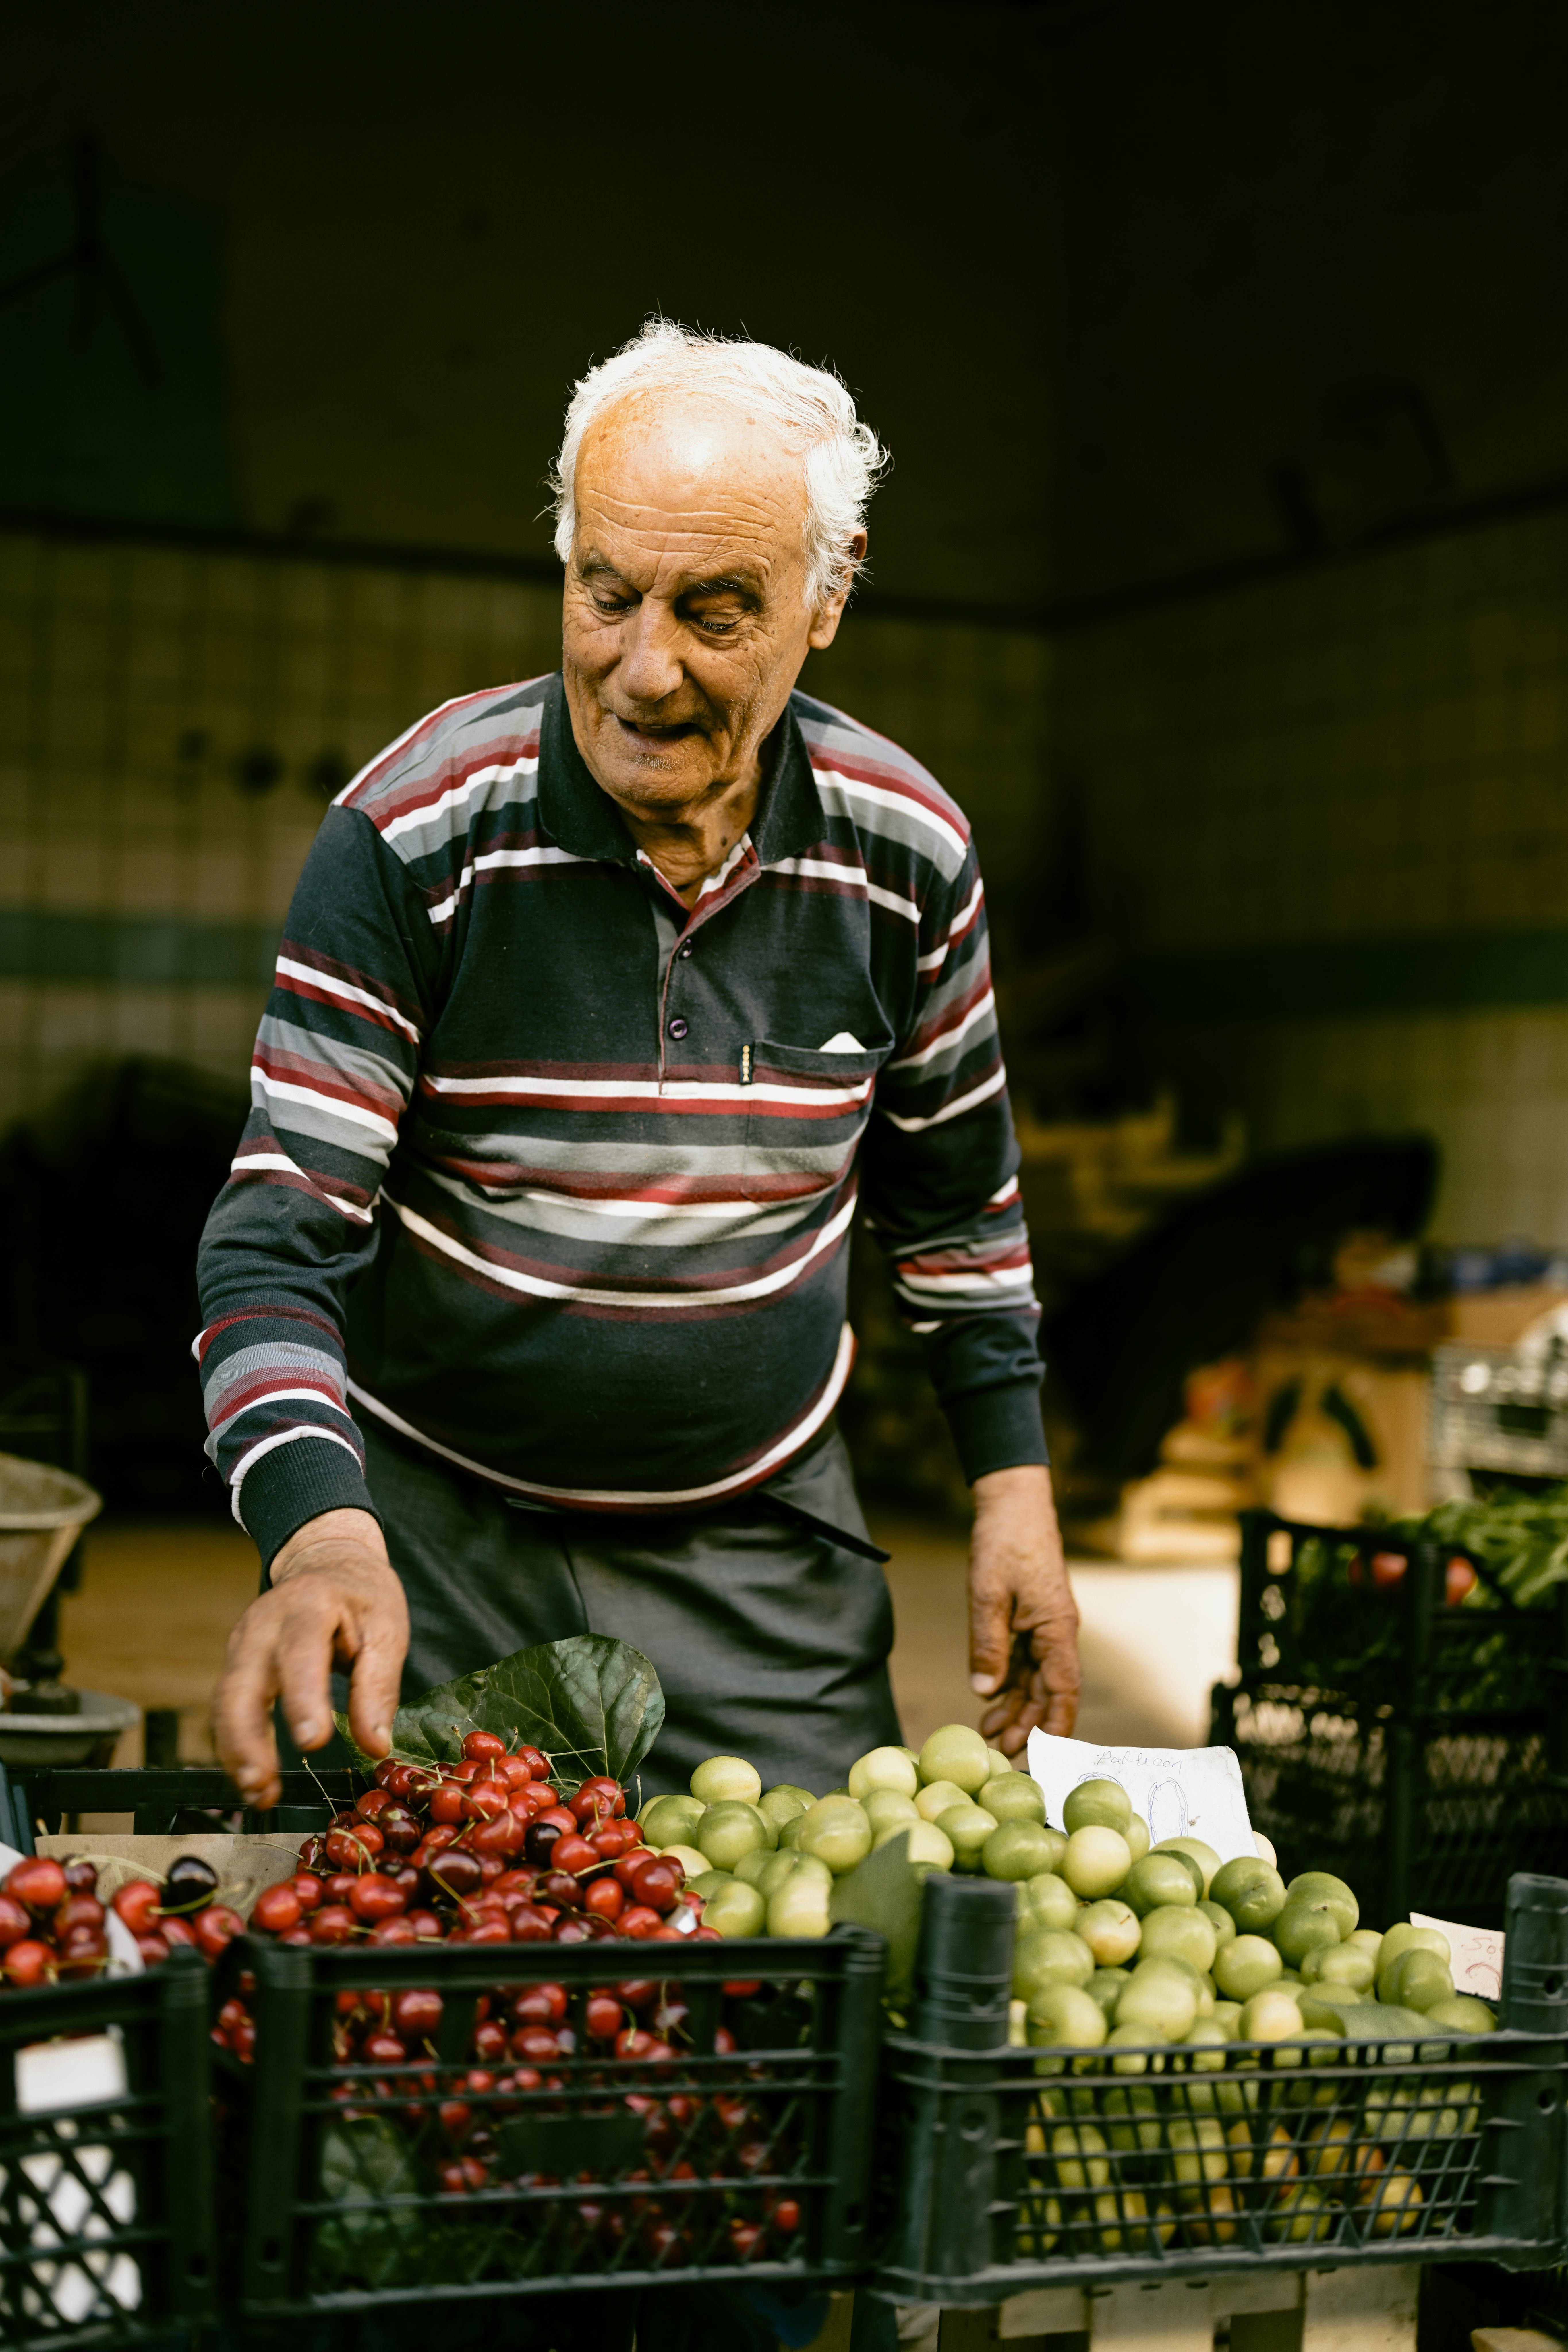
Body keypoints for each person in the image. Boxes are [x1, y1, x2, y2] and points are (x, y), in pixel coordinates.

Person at [199, 320, 1081, 1811]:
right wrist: (319, 1533)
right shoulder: (417, 837)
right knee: (420, 1952)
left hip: (757, 1550)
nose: (645, 669)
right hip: (430, 1537)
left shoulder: (904, 855)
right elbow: (277, 1245)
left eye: (715, 609)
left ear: (829, 593)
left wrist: (1014, 1494)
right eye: (607, 595)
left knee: (811, 1949)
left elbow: (955, 1216)